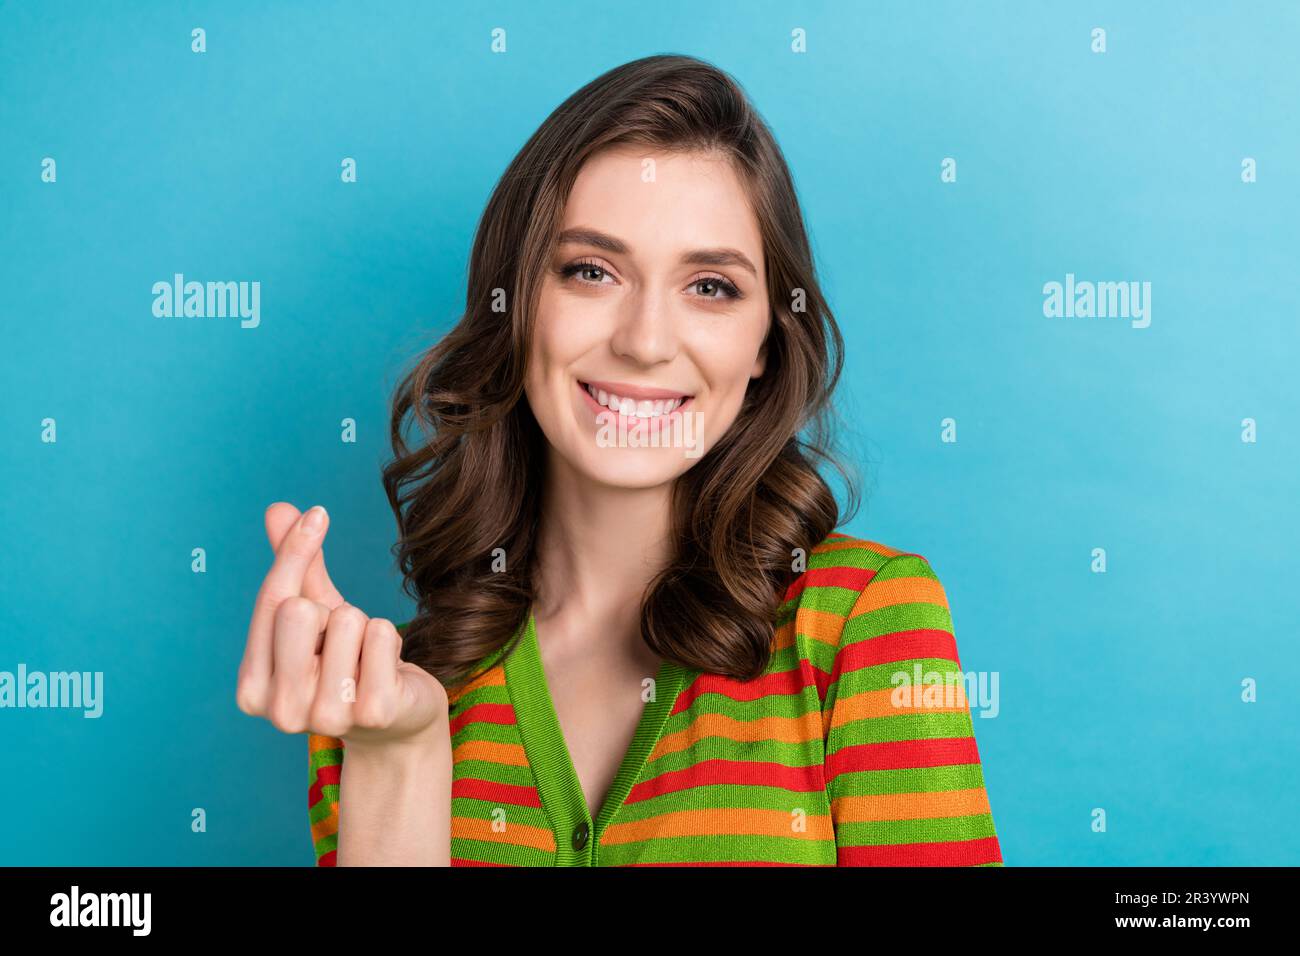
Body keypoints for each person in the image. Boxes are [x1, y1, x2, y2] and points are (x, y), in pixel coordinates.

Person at [237, 53, 1002, 867]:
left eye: (710, 286)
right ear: (517, 305)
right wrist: (401, 755)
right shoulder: (379, 694)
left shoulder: (864, 626)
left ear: (763, 350)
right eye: (590, 271)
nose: (643, 342)